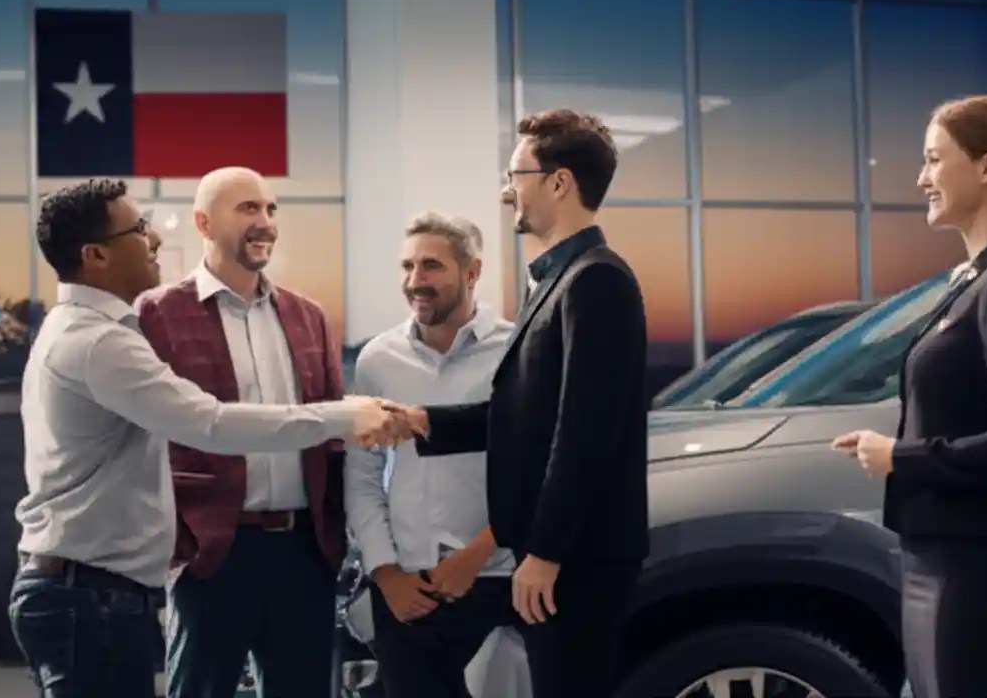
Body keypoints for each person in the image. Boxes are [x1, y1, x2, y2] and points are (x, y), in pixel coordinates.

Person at [10, 178, 404, 698]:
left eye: (270, 206)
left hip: (117, 586)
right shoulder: (105, 339)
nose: (152, 240)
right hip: (118, 584)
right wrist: (344, 415)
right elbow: (210, 424)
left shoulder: (81, 328)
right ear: (96, 254)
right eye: (139, 228)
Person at [390, 109, 649, 698]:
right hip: (561, 555)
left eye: (517, 175)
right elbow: (529, 416)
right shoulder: (558, 279)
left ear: (559, 182)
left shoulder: (596, 281)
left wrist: (546, 553)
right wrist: (421, 422)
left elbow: (583, 435)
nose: (508, 192)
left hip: (579, 560)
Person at [831, 94, 987, 698]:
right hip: (938, 556)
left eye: (935, 160)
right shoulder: (977, 279)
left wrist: (899, 458)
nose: (921, 178)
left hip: (974, 566)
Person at [135, 167, 346, 697]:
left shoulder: (310, 317)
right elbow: (141, 441)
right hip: (211, 552)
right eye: (248, 209)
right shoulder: (156, 314)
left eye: (270, 209)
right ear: (204, 223)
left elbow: (332, 438)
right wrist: (178, 544)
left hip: (304, 552)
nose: (265, 222)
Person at [347, 211, 528, 698]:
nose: (414, 281)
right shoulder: (377, 360)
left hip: (498, 578)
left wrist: (474, 557)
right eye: (407, 267)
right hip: (408, 590)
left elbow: (533, 467)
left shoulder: (516, 349)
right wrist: (386, 576)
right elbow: (361, 477)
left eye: (430, 266)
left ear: (472, 272)